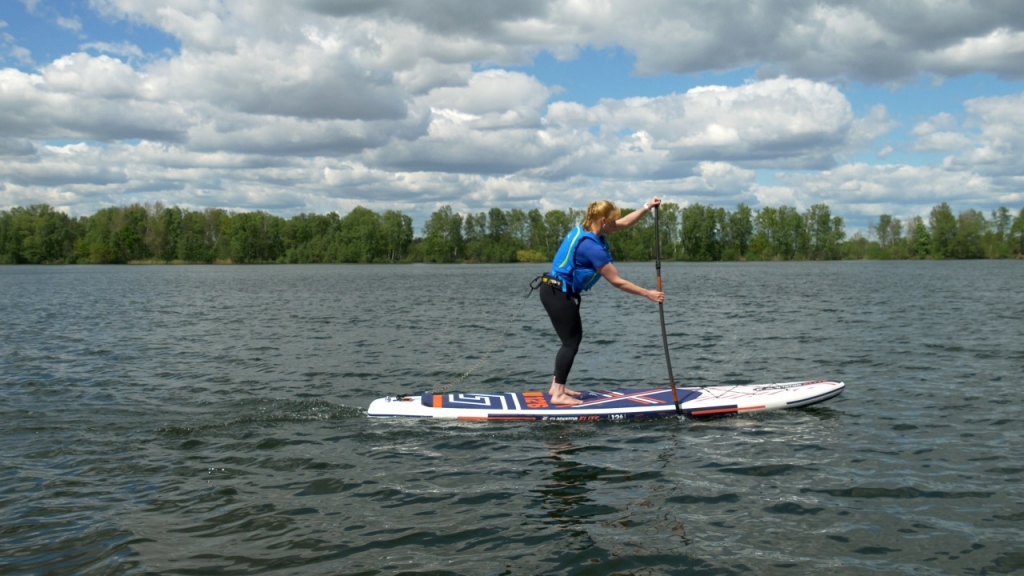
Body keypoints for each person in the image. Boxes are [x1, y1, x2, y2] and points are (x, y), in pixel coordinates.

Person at [539, 197, 666, 405]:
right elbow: (617, 282)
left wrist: (647, 207)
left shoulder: (586, 230)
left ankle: (556, 387)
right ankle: (559, 394)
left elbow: (625, 222)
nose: (616, 225)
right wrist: (648, 294)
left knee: (571, 340)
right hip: (558, 294)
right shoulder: (591, 248)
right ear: (604, 220)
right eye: (612, 221)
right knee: (570, 342)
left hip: (553, 290)